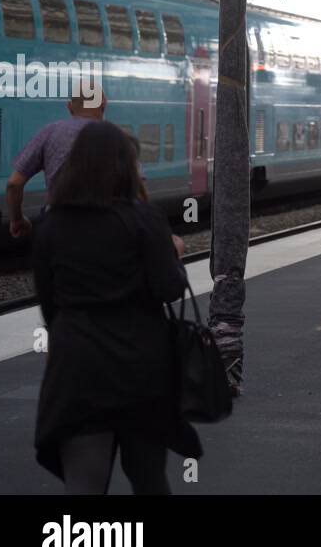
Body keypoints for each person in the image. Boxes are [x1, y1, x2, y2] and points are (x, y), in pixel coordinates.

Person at [32, 121, 200, 495]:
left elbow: (49, 304)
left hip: (78, 368)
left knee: (84, 484)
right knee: (149, 478)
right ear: (127, 167)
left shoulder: (50, 226)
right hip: (141, 368)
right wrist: (174, 253)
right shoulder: (144, 220)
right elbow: (168, 288)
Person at [6, 92, 107, 239]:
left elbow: (14, 184)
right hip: (104, 229)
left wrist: (17, 220)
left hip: (57, 227)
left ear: (69, 106)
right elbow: (137, 190)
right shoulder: (118, 137)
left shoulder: (50, 131)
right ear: (104, 104)